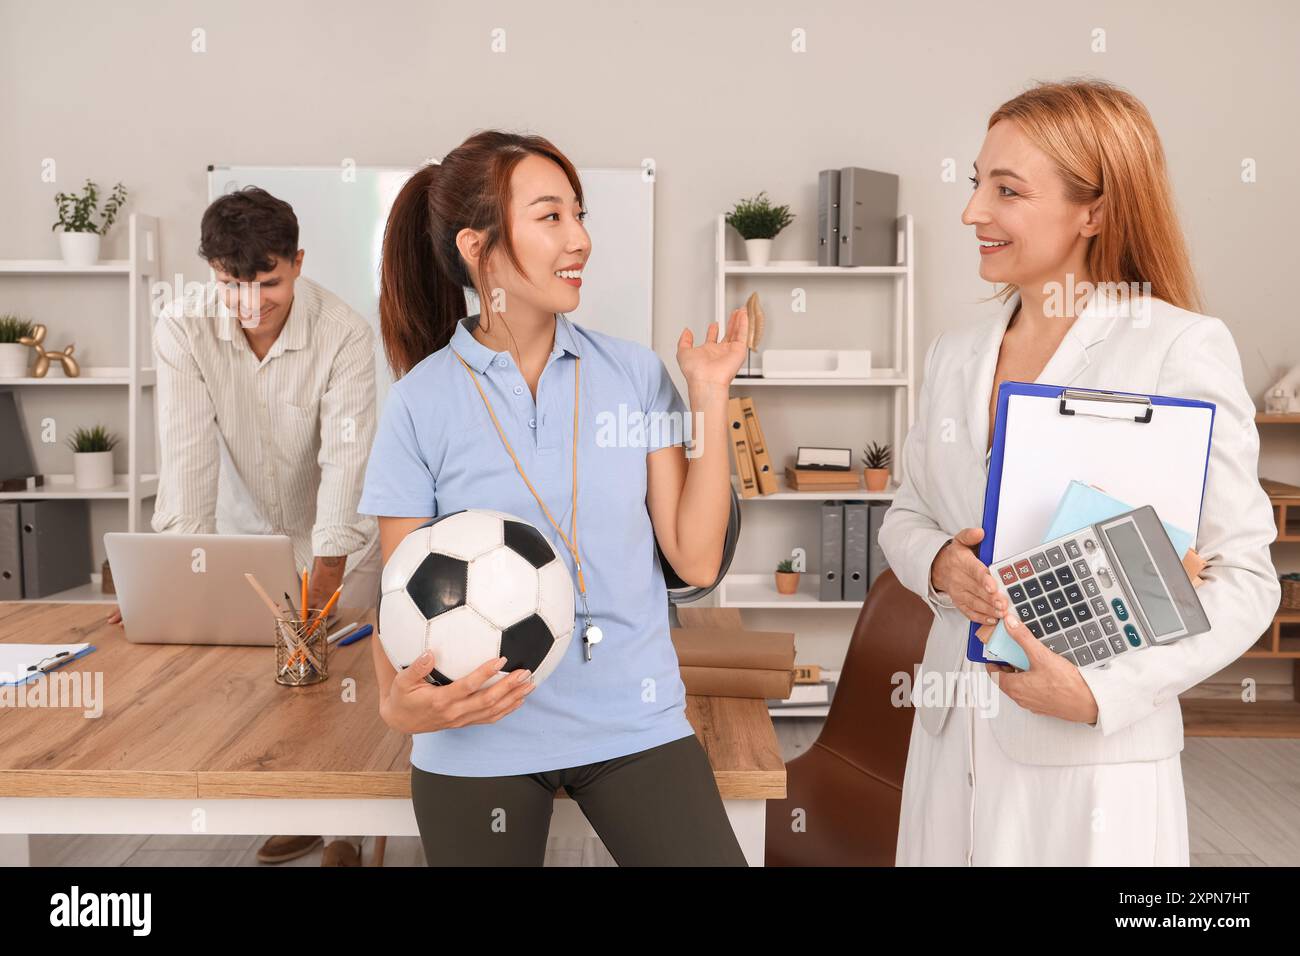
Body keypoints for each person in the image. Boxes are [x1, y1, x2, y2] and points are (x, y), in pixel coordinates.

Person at [879, 79, 1280, 865]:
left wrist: (1102, 695)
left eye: (1008, 191)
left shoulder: (1174, 348)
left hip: (1088, 762)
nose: (972, 213)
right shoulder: (954, 353)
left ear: (1093, 211)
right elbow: (907, 513)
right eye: (976, 184)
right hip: (950, 738)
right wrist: (938, 564)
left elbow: (1245, 576)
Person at [360, 130, 749, 865]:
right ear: (477, 248)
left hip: (634, 723)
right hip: (479, 735)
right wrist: (396, 703)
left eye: (581, 215)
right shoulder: (420, 403)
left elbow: (695, 561)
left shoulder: (634, 376)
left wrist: (708, 395)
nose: (581, 240)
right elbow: (399, 592)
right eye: (551, 217)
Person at [141, 187, 382, 866]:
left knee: (340, 678)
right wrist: (171, 585)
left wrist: (323, 581)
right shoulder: (182, 327)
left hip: (341, 533)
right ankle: (294, 809)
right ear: (211, 272)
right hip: (247, 528)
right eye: (230, 285)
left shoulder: (345, 334)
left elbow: (347, 462)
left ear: (298, 262)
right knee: (272, 685)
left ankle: (345, 833)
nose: (249, 303)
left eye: (267, 282)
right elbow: (186, 462)